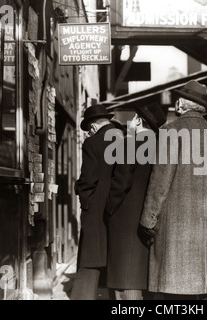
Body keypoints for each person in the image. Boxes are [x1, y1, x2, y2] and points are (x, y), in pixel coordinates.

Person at [140, 80, 207, 300]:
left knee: (174, 291)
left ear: (182, 104)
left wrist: (148, 219)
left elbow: (160, 182)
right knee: (201, 289)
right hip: (206, 227)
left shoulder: (170, 131)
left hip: (174, 227)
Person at [105, 102, 167, 301]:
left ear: (139, 121)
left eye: (132, 118)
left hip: (126, 218)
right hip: (151, 217)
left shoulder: (129, 143)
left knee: (126, 276)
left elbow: (121, 182)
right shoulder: (162, 147)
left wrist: (109, 209)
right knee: (143, 274)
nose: (130, 122)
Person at [71, 104, 118, 300]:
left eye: (89, 127)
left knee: (90, 257)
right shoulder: (126, 139)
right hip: (118, 205)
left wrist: (84, 199)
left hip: (96, 207)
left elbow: (88, 179)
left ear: (94, 125)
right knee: (112, 255)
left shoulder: (93, 142)